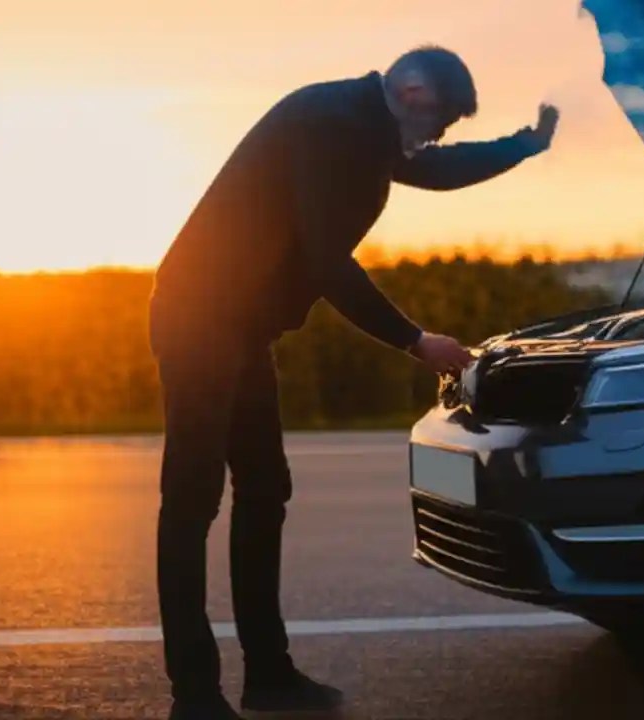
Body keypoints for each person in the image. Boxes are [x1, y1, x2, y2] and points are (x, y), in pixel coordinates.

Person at [148, 44, 558, 720]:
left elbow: (441, 168)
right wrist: (415, 341)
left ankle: (268, 674)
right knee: (192, 499)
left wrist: (525, 144)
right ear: (416, 92)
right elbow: (325, 260)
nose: (435, 140)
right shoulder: (332, 122)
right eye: (440, 122)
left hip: (241, 326)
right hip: (198, 315)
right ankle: (194, 694)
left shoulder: (372, 130)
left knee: (264, 488)